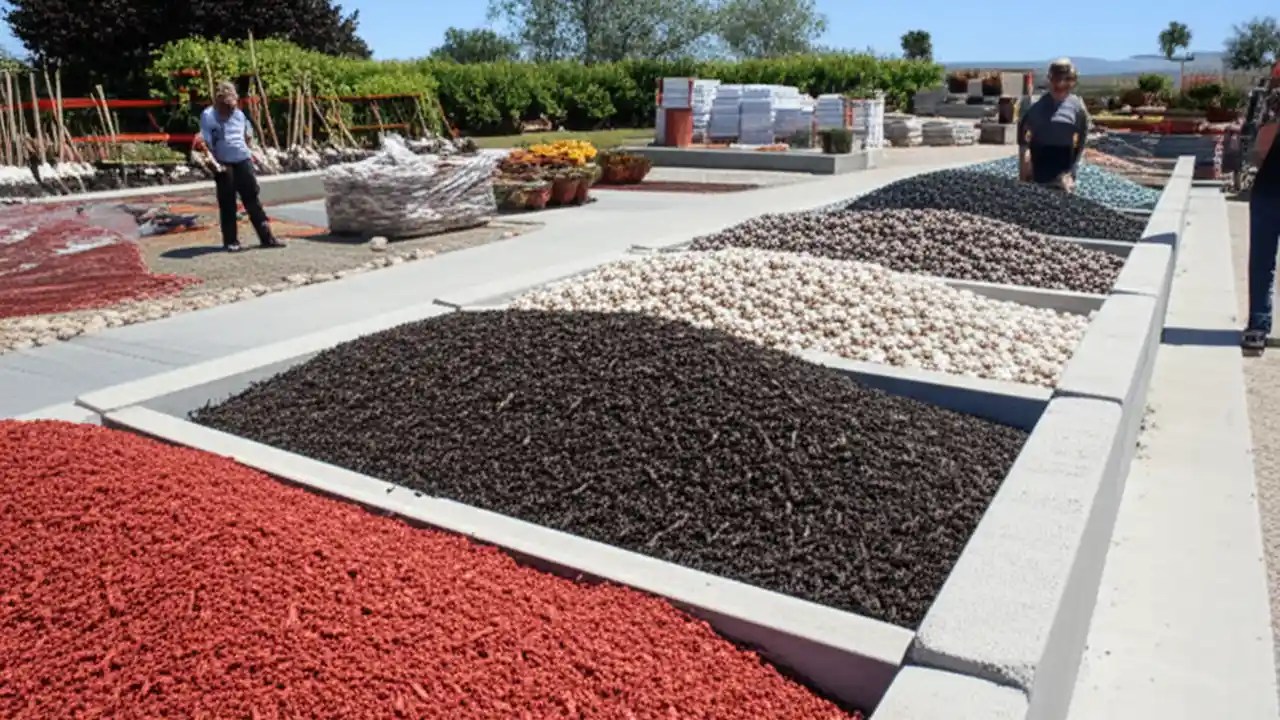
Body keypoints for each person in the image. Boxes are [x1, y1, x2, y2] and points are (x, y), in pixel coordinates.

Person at [196, 81, 285, 253]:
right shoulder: (209, 116)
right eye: (225, 107)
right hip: (223, 161)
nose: (229, 111)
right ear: (218, 103)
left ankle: (267, 237)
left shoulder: (239, 115)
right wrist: (212, 162)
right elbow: (205, 142)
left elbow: (247, 135)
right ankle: (231, 241)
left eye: (232, 106)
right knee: (227, 201)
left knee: (252, 198)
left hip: (242, 159)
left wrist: (252, 150)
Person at [1241, 82, 1280, 354]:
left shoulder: (1270, 123)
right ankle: (1258, 322)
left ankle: (1258, 325)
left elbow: (1256, 155)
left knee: (1262, 262)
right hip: (1268, 194)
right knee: (1262, 263)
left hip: (1268, 192)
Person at [1018, 58, 1091, 193]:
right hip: (1037, 174)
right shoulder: (1032, 106)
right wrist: (1024, 172)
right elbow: (1022, 141)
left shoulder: (1078, 107)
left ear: (1074, 82)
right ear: (1049, 79)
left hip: (1063, 177)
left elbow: (1082, 141)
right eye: (1056, 79)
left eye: (1067, 79)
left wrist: (1073, 172)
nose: (1061, 84)